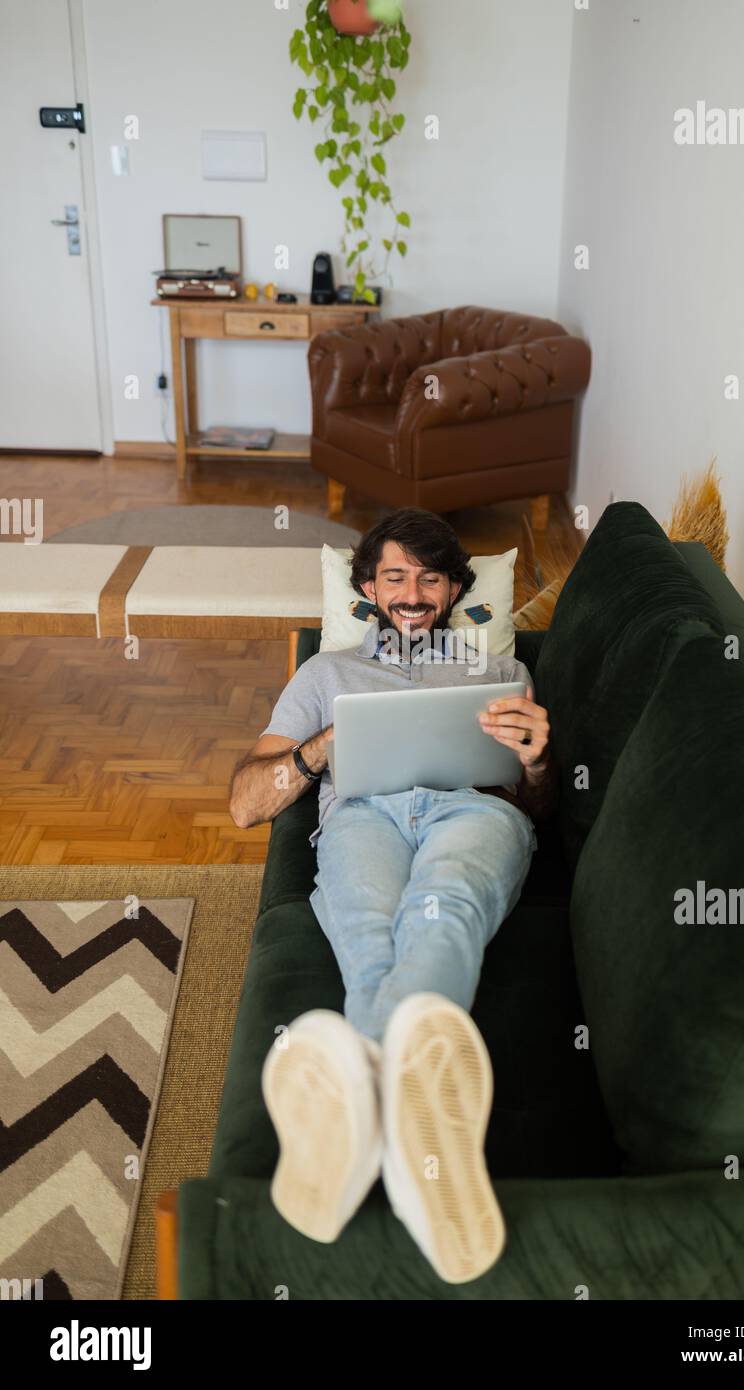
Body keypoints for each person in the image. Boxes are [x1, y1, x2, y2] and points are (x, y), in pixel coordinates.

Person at [229, 507, 557, 1284]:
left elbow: (540, 806)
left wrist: (541, 763)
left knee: (444, 911)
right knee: (368, 932)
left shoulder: (499, 673)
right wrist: (322, 749)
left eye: (430, 578)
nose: (412, 593)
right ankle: (421, 1166)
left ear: (451, 591)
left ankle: (359, 1132)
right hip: (363, 816)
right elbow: (247, 802)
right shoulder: (326, 676)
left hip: (473, 811)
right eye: (395, 576)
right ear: (369, 589)